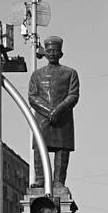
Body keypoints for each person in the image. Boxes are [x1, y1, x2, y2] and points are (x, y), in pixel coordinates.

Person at [27, 36, 80, 187]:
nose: (51, 54)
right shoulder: (37, 75)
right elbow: (32, 96)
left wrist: (59, 110)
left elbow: (73, 95)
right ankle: (41, 180)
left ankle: (58, 181)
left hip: (63, 119)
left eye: (55, 51)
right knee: (39, 147)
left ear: (60, 54)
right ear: (45, 53)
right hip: (42, 118)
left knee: (62, 150)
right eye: (49, 51)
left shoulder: (70, 73)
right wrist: (50, 111)